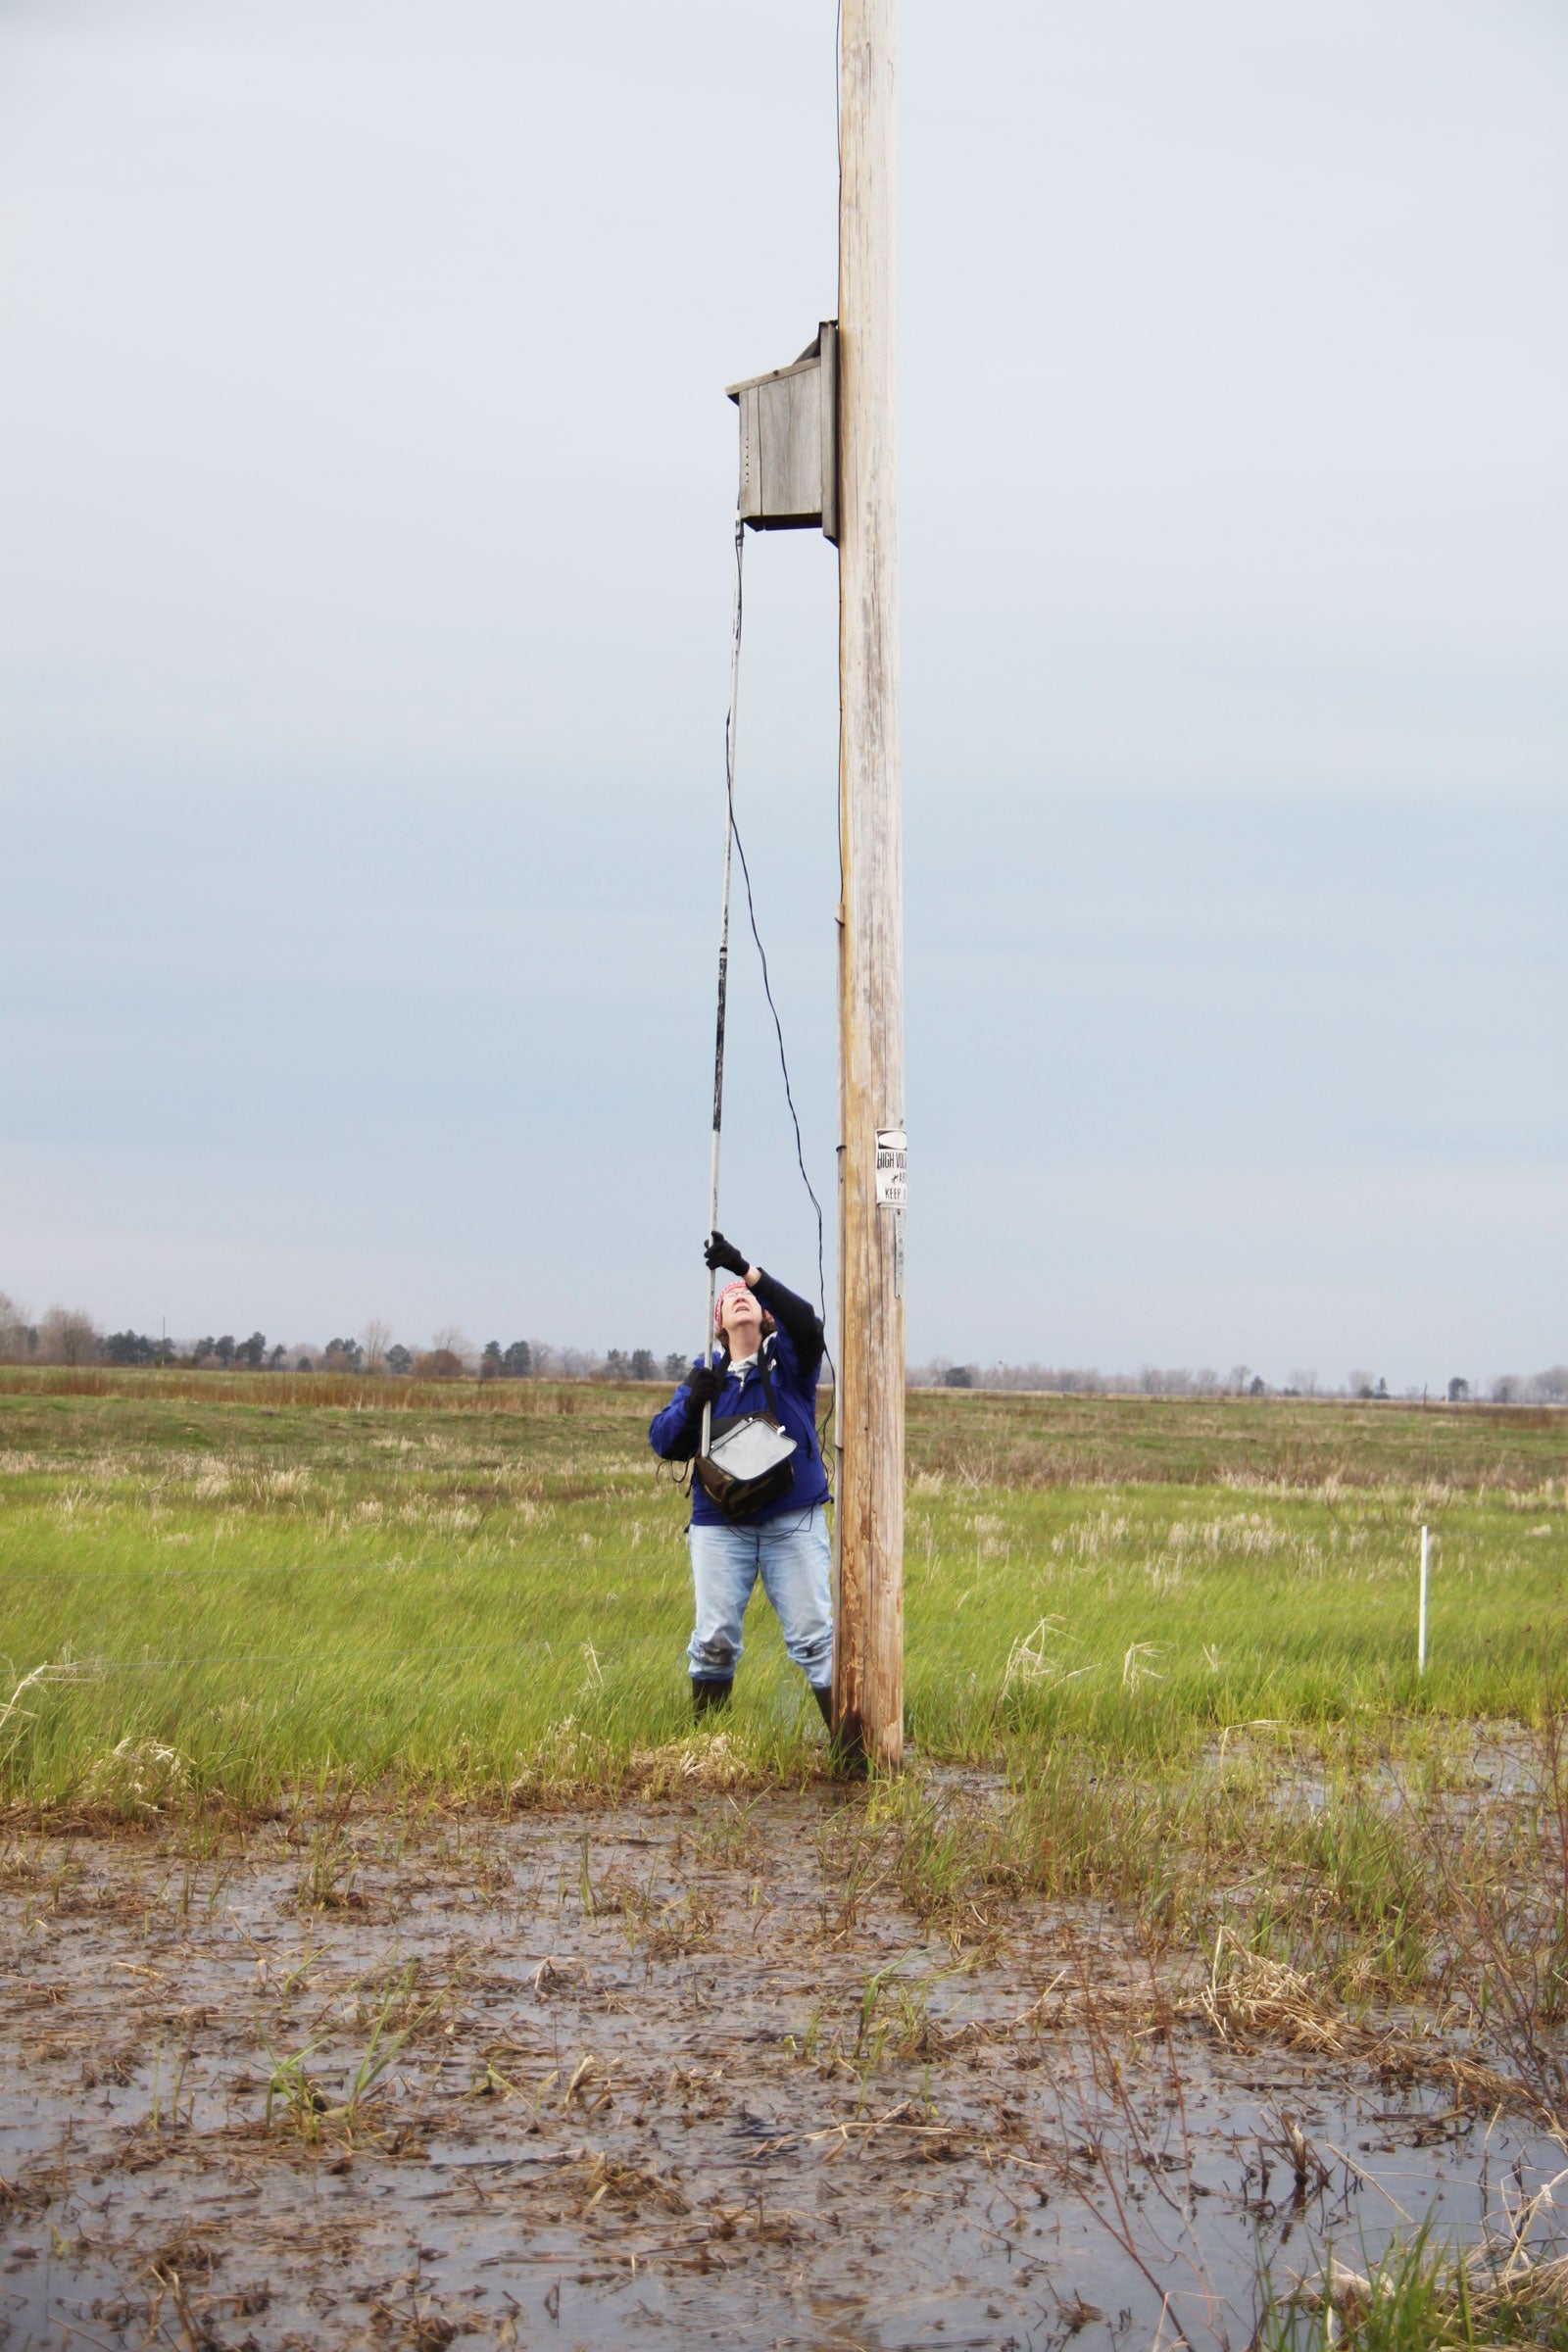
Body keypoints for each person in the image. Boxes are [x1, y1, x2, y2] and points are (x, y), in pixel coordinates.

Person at [649, 1232, 833, 1725]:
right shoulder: (704, 1376)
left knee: (815, 1638)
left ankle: (852, 1753)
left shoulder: (790, 1365)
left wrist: (746, 1271)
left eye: (747, 1295)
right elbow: (663, 1441)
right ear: (719, 1324)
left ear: (764, 1313)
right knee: (714, 1641)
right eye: (729, 1298)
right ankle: (711, 1750)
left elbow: (807, 1324)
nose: (739, 1297)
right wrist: (692, 1404)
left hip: (793, 1520)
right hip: (719, 1525)